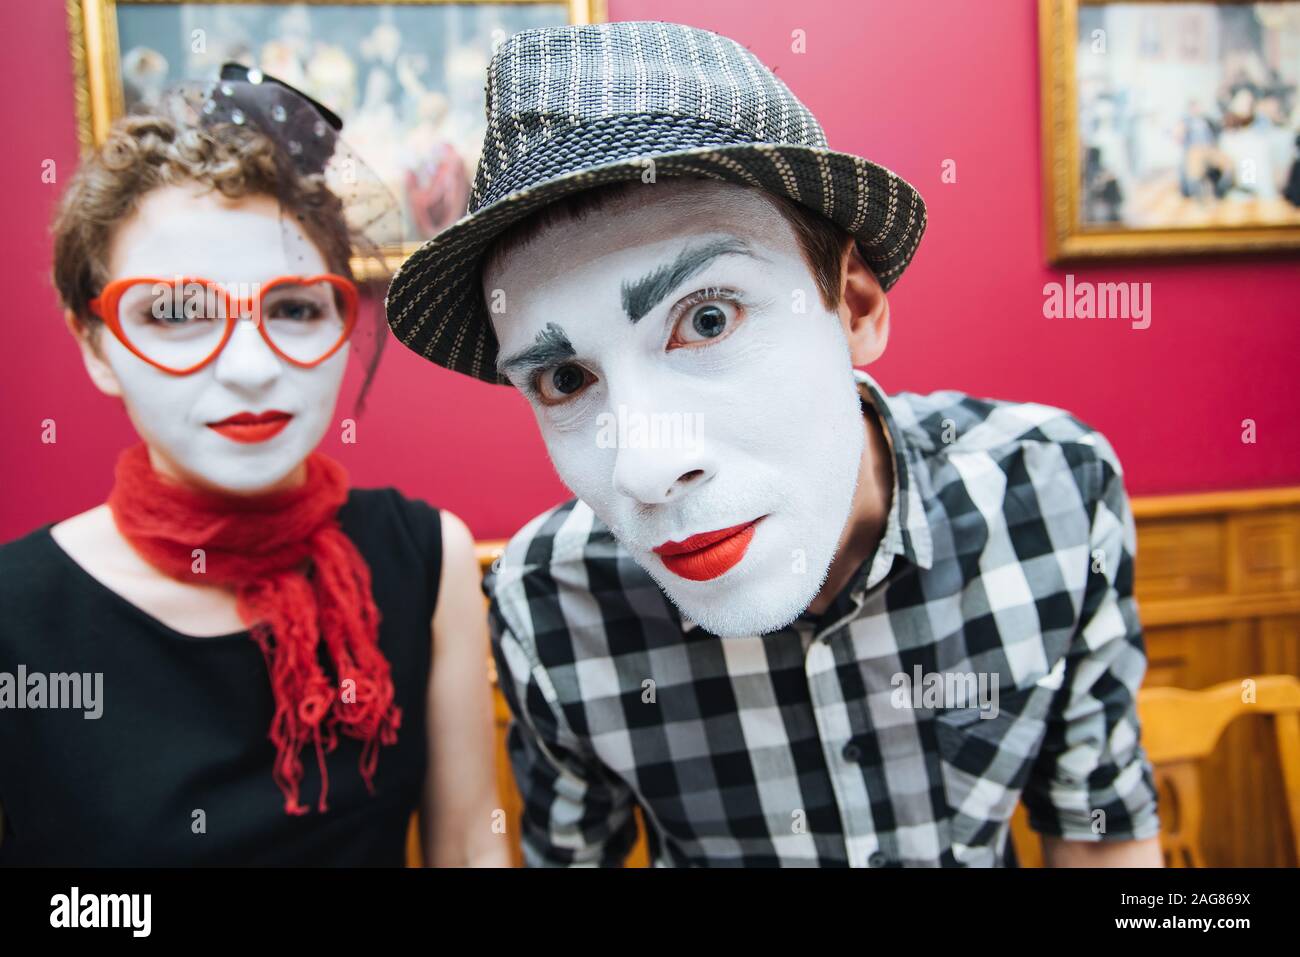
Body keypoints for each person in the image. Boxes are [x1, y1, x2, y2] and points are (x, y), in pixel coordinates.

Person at [385, 21, 1162, 867]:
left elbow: (1103, 840)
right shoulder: (550, 601)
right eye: (566, 380)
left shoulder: (1051, 491)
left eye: (708, 319)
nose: (645, 466)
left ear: (855, 305)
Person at [0, 68, 507, 867]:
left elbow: (472, 843)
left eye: (295, 308)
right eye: (174, 312)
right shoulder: (17, 613)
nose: (248, 366)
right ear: (94, 343)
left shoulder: (423, 556)